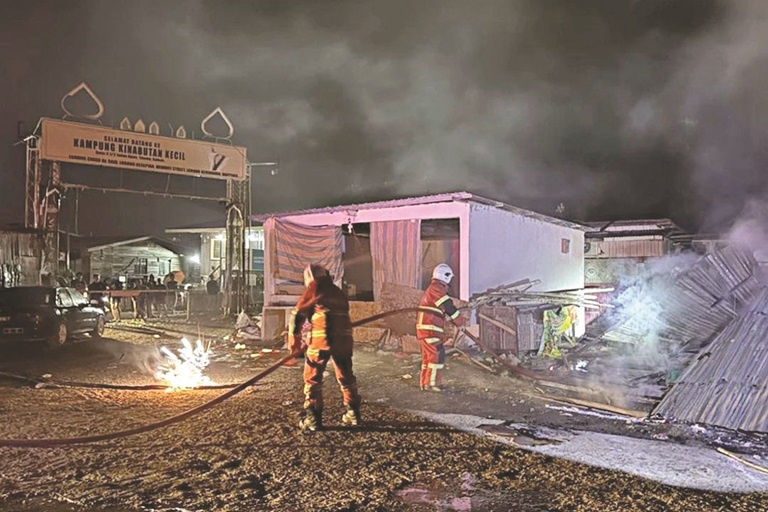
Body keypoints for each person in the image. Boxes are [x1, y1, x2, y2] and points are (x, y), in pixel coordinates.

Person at [288, 263, 362, 432]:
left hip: (322, 340)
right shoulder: (338, 292)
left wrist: (294, 346)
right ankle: (353, 413)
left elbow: (297, 317)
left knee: (312, 377)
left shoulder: (315, 288)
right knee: (346, 375)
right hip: (343, 341)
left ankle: (313, 418)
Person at [416, 263, 464, 392]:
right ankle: (433, 385)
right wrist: (459, 321)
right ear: (446, 276)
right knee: (437, 356)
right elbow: (448, 306)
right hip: (429, 330)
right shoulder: (437, 288)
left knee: (429, 357)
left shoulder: (433, 289)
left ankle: (425, 383)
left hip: (427, 329)